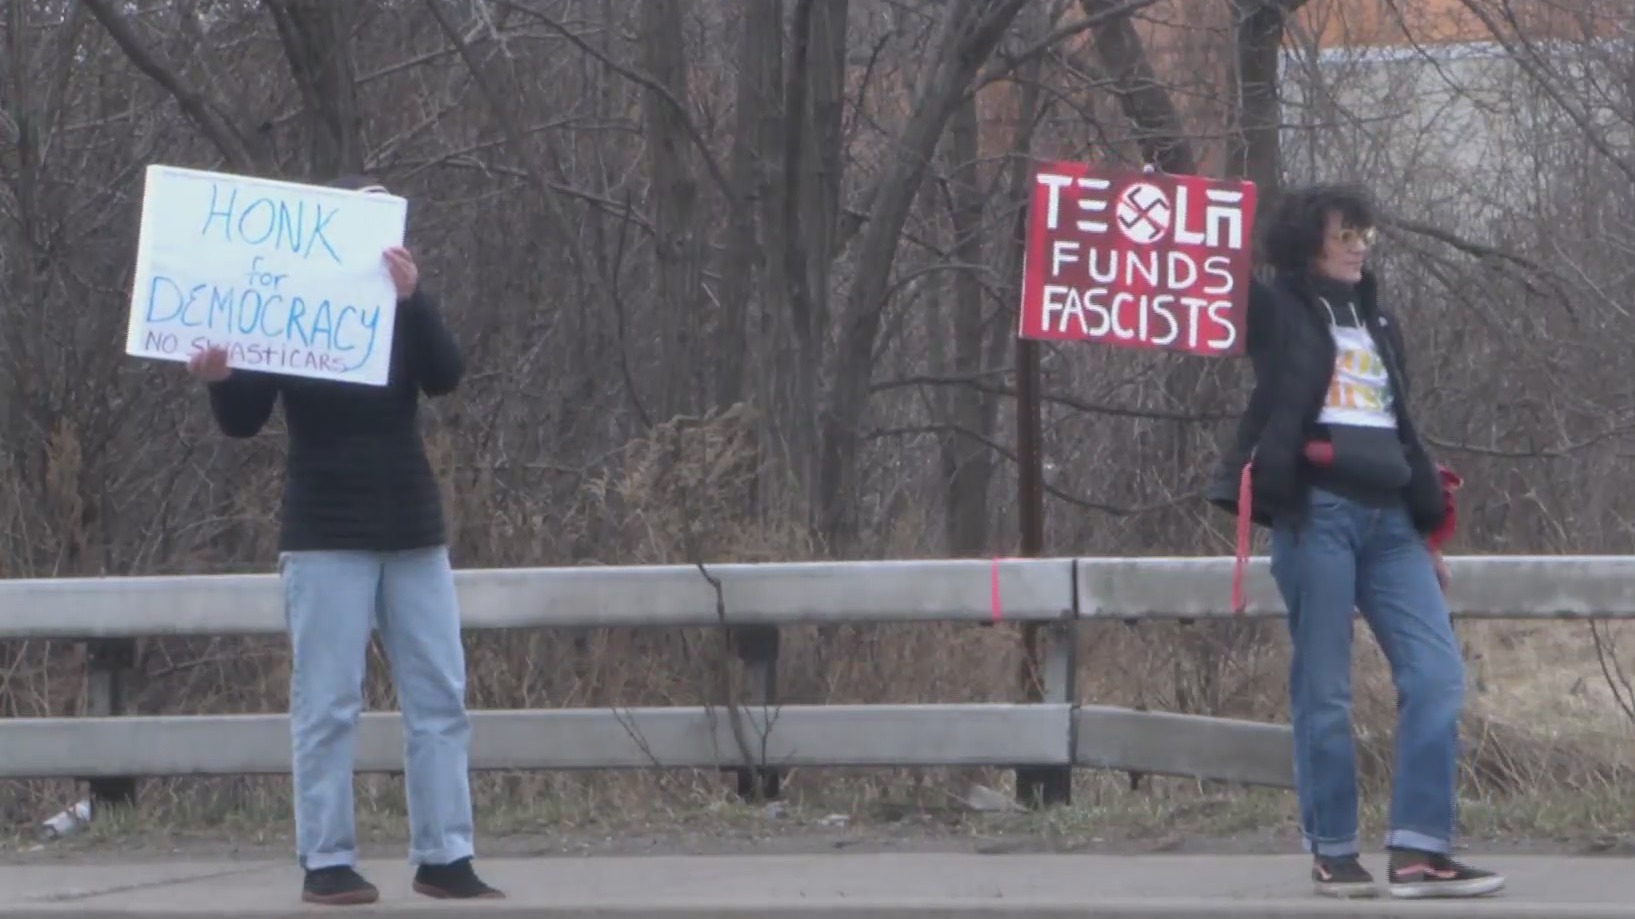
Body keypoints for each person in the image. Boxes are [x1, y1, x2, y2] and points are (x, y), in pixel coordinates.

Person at [186, 175, 501, 906]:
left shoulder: (400, 310)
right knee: (328, 701)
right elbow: (244, 418)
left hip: (411, 525)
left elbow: (447, 374)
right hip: (325, 529)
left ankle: (445, 852)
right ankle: (326, 859)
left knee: (439, 692)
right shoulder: (289, 314)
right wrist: (219, 377)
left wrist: (413, 297)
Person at [1207, 184, 1504, 901]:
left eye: (1363, 232)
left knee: (1436, 676)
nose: (1359, 243)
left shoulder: (1379, 321)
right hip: (1318, 514)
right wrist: (1172, 197)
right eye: (1344, 233)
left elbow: (1403, 423)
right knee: (1325, 689)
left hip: (1392, 523)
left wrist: (1427, 526)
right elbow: (1210, 277)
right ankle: (1332, 848)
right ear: (1309, 240)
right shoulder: (1277, 311)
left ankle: (1418, 850)